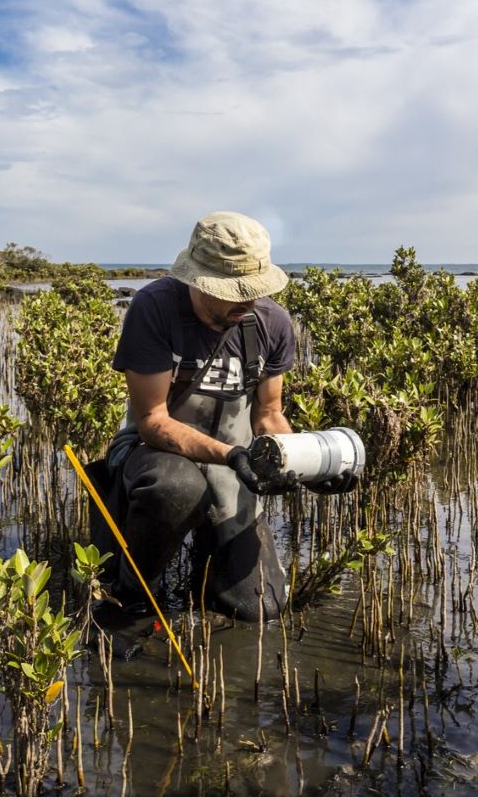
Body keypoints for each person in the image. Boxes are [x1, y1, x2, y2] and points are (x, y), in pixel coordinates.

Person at [93, 211, 351, 625]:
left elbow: (268, 415)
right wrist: (231, 455)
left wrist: (306, 464)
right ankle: (134, 597)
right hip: (156, 455)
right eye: (234, 292)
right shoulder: (154, 308)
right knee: (177, 487)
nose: (247, 303)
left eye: (254, 291)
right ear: (198, 280)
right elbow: (152, 420)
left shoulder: (270, 322)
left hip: (235, 464)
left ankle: (208, 560)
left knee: (256, 609)